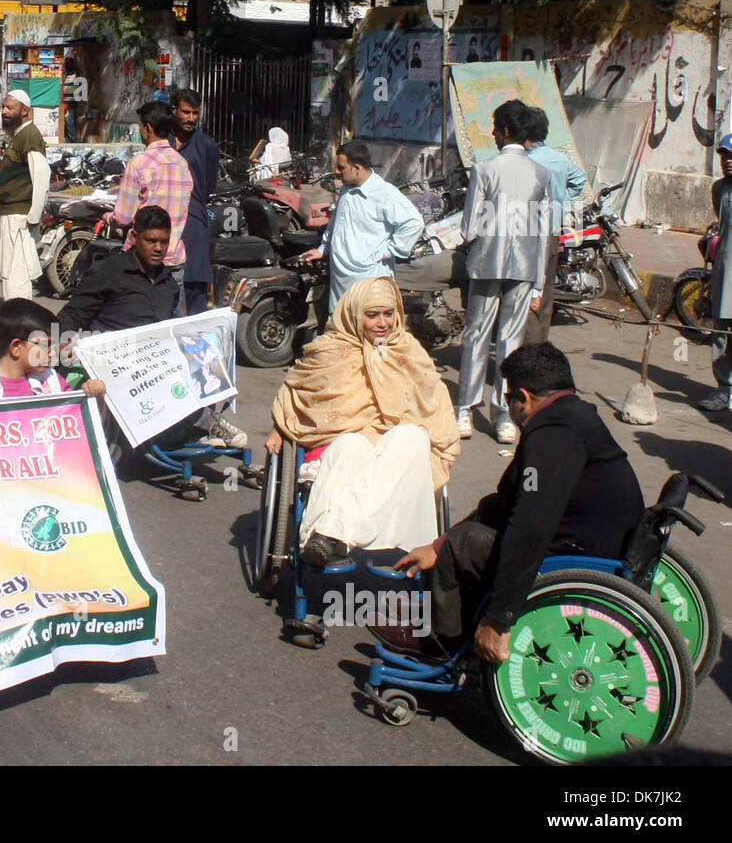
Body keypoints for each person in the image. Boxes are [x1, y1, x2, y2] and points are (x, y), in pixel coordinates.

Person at [393, 342, 644, 662]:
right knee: (463, 536)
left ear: (522, 398)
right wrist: (438, 545)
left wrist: (499, 618)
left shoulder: (552, 432)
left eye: (510, 398)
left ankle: (441, 642)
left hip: (580, 558)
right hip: (597, 545)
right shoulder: (574, 417)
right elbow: (508, 500)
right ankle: (451, 612)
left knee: (466, 543)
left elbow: (530, 527)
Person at [265, 277, 460, 565]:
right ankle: (339, 533)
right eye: (372, 315)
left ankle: (331, 533)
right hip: (342, 444)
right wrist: (279, 428)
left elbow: (435, 403)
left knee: (413, 437)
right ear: (355, 315)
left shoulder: (409, 350)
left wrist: (445, 449)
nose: (382, 323)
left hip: (395, 452)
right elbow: (296, 392)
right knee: (352, 446)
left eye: (389, 314)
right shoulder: (328, 350)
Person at [455, 99, 553, 444]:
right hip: (525, 265)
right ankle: (504, 418)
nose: (494, 134)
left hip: (486, 262)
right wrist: (539, 283)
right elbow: (544, 232)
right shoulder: (542, 174)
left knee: (476, 334)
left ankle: (465, 411)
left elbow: (469, 228)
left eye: (496, 128)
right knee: (510, 341)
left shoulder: (484, 169)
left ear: (506, 131)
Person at [300, 141, 424, 312]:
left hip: (368, 278)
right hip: (341, 278)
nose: (337, 171)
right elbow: (337, 222)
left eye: (341, 167)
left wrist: (388, 251)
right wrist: (323, 249)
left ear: (356, 168)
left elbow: (413, 223)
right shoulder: (346, 189)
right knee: (342, 323)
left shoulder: (384, 193)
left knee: (367, 325)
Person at [0, 298, 104, 410]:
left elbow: (80, 422)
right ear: (16, 347)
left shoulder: (53, 382)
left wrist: (95, 397)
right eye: (45, 344)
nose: (52, 352)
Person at [110, 100, 194, 307]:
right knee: (171, 329)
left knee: (140, 327)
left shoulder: (138, 164)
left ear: (148, 128)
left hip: (143, 263)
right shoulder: (181, 163)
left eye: (140, 126)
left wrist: (107, 217)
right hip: (174, 257)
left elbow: (122, 218)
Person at [59, 205, 179, 336]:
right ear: (133, 237)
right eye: (151, 241)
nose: (158, 248)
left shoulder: (169, 283)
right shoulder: (107, 271)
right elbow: (73, 314)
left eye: (164, 242)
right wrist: (63, 340)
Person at [522, 106, 587, 344]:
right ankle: (538, 345)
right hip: (551, 231)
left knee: (525, 293)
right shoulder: (559, 159)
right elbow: (579, 182)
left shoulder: (525, 161)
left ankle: (522, 350)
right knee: (544, 294)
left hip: (527, 233)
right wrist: (561, 200)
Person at [168, 88, 219, 315]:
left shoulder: (207, 145)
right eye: (186, 112)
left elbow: (208, 186)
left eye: (195, 113)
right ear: (174, 110)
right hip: (164, 220)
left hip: (193, 219)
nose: (191, 119)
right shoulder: (162, 141)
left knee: (195, 281)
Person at [0, 89, 48, 301]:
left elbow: (42, 176)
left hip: (20, 217)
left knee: (17, 273)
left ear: (25, 110)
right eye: (3, 107)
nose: (5, 111)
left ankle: (19, 320)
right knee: (10, 271)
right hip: (12, 214)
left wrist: (34, 216)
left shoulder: (29, 136)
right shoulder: (19, 135)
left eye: (10, 107)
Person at [701, 134, 732, 412]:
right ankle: (724, 389)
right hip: (724, 271)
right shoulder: (719, 189)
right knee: (721, 332)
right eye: (724, 157)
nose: (728, 162)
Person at [63, 60, 88, 144]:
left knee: (70, 121)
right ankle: (69, 138)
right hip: (65, 101)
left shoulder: (76, 74)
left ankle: (73, 139)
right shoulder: (65, 75)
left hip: (71, 102)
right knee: (67, 121)